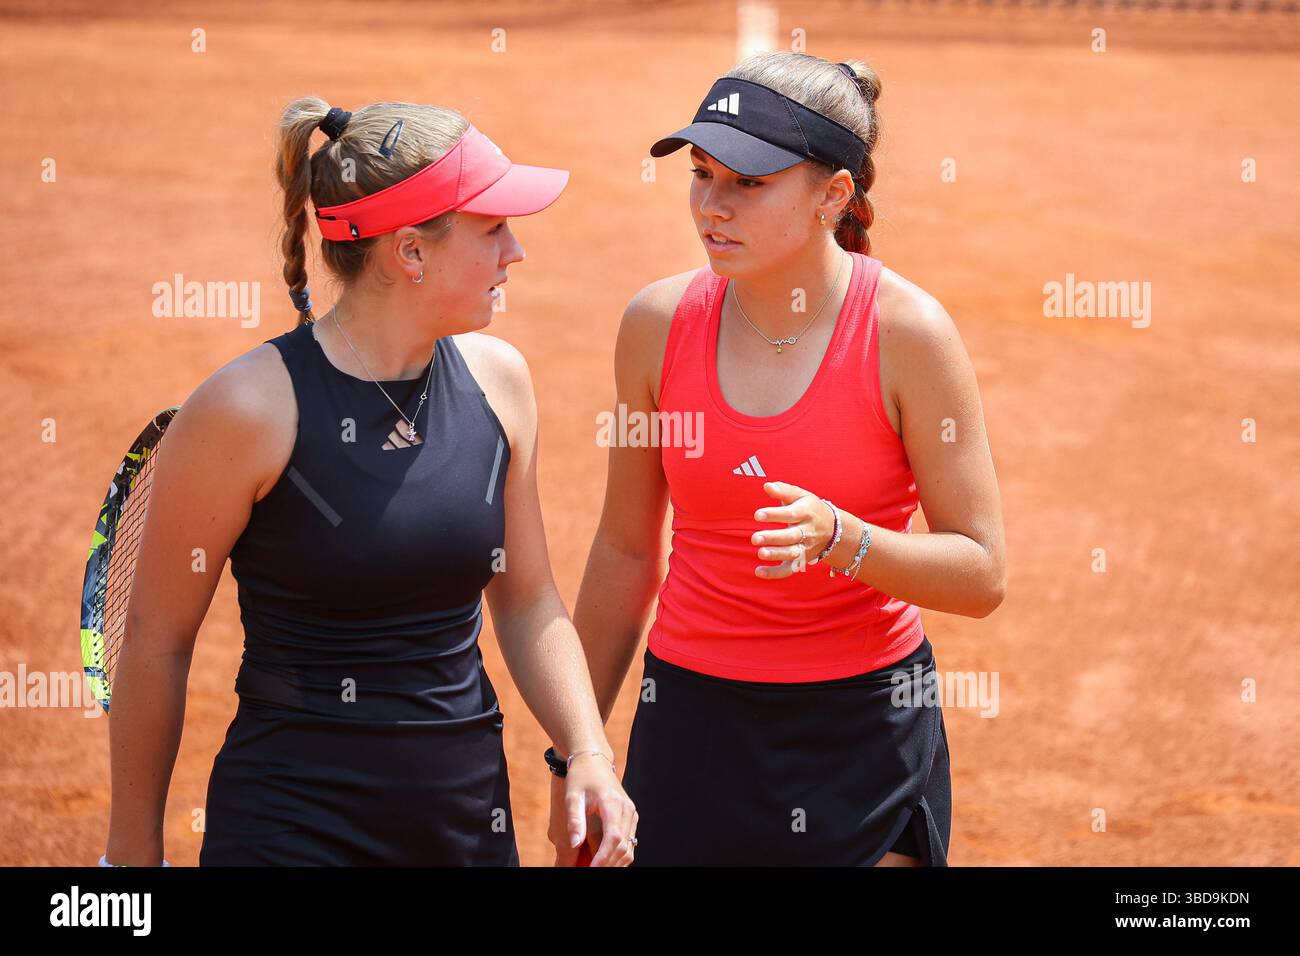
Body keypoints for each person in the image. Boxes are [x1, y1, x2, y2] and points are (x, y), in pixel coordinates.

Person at [102, 97, 636, 866]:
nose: (514, 251)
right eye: (492, 229)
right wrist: (128, 861)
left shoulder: (500, 383)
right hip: (292, 829)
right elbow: (157, 639)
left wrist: (587, 750)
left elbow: (525, 598)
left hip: (463, 822)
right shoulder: (248, 410)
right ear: (410, 253)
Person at [560, 53, 1006, 866]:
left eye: (749, 183)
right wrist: (576, 756)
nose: (710, 206)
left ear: (833, 196)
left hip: (863, 730)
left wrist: (848, 538)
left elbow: (981, 573)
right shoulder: (655, 326)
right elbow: (626, 549)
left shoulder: (909, 335)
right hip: (692, 718)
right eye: (702, 174)